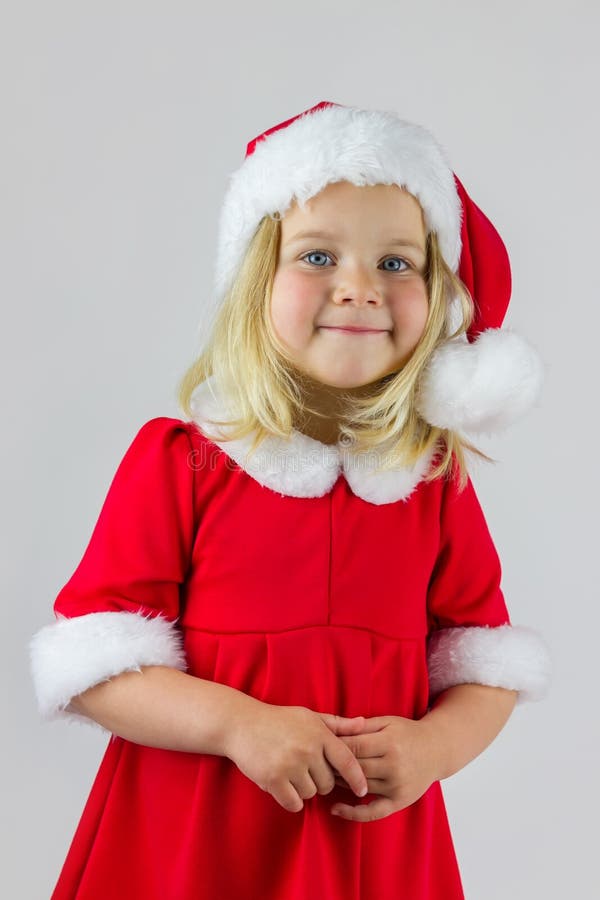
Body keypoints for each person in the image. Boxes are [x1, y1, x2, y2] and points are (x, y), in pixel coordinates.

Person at [29, 100, 552, 900]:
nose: (360, 289)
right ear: (254, 284)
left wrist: (431, 752)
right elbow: (99, 667)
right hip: (193, 843)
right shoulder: (186, 463)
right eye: (317, 257)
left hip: (368, 859)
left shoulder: (431, 484)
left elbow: (486, 666)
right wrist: (239, 725)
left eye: (396, 263)